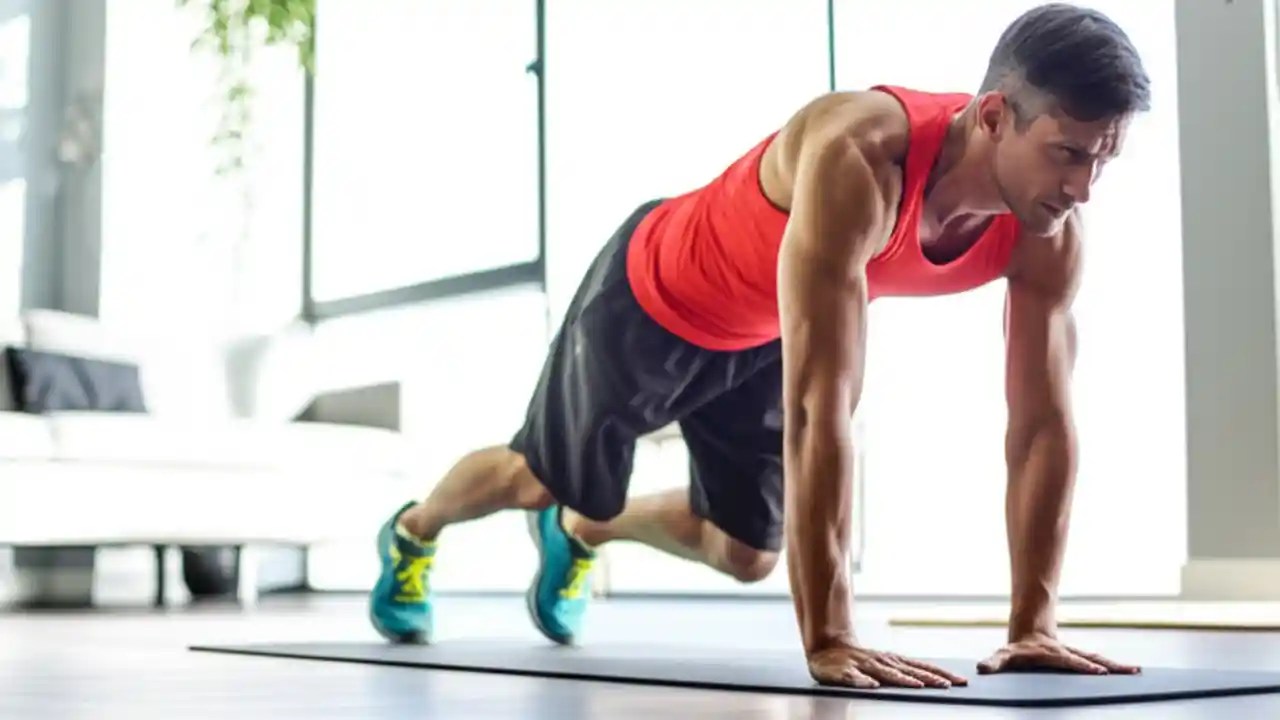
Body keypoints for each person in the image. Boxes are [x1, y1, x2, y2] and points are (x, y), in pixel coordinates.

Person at [368, 2, 1150, 690]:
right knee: (536, 477)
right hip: (654, 299)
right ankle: (414, 531)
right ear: (992, 118)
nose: (1084, 188)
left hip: (769, 328)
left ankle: (586, 529)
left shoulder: (1047, 234)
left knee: (746, 554)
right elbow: (823, 410)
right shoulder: (862, 154)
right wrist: (830, 634)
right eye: (1069, 153)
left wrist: (1032, 626)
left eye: (1103, 159)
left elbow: (1041, 426)